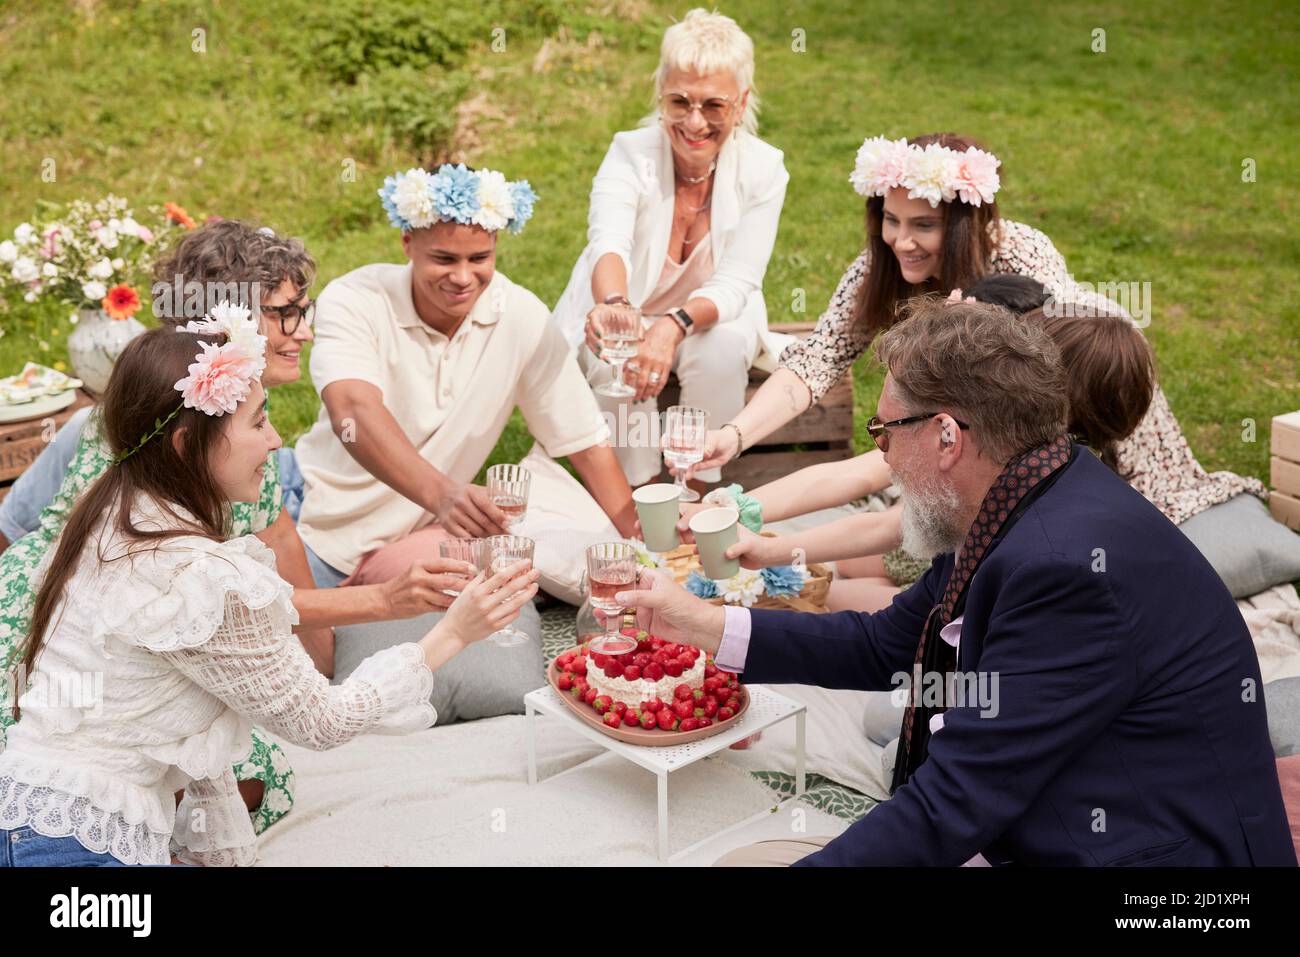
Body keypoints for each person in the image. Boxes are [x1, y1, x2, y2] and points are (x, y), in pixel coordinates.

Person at [615, 299, 1294, 866]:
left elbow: (956, 803)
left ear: (945, 436)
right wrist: (699, 625)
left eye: (883, 430)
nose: (878, 448)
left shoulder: (1065, 571)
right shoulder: (1020, 495)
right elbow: (883, 645)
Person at [0, 326, 538, 866]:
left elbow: (202, 739)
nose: (277, 440)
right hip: (65, 846)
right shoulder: (206, 578)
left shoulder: (115, 508)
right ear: (187, 446)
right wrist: (454, 632)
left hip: (23, 812)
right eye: (258, 421)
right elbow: (325, 721)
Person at [688, 132, 1265, 526]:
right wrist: (734, 437)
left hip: (1069, 438)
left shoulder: (1020, 260)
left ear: (969, 222)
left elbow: (1075, 373)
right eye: (889, 220)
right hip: (959, 449)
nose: (900, 240)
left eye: (924, 225)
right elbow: (815, 362)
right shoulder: (880, 269)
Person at [285, 163, 637, 678]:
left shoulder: (520, 316)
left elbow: (584, 441)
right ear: (407, 242)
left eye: (480, 258)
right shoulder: (356, 299)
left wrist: (638, 548)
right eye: (444, 258)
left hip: (416, 541)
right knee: (280, 671)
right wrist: (446, 496)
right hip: (318, 525)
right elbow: (353, 411)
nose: (463, 276)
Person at [550, 7, 789, 488]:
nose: (694, 122)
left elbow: (738, 280)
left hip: (708, 316)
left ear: (741, 104)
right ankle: (631, 495)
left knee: (722, 348)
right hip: (631, 307)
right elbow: (608, 241)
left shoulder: (765, 169)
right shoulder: (629, 152)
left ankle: (695, 492)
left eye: (714, 105)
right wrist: (616, 308)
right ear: (662, 94)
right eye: (680, 102)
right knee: (611, 351)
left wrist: (673, 326)